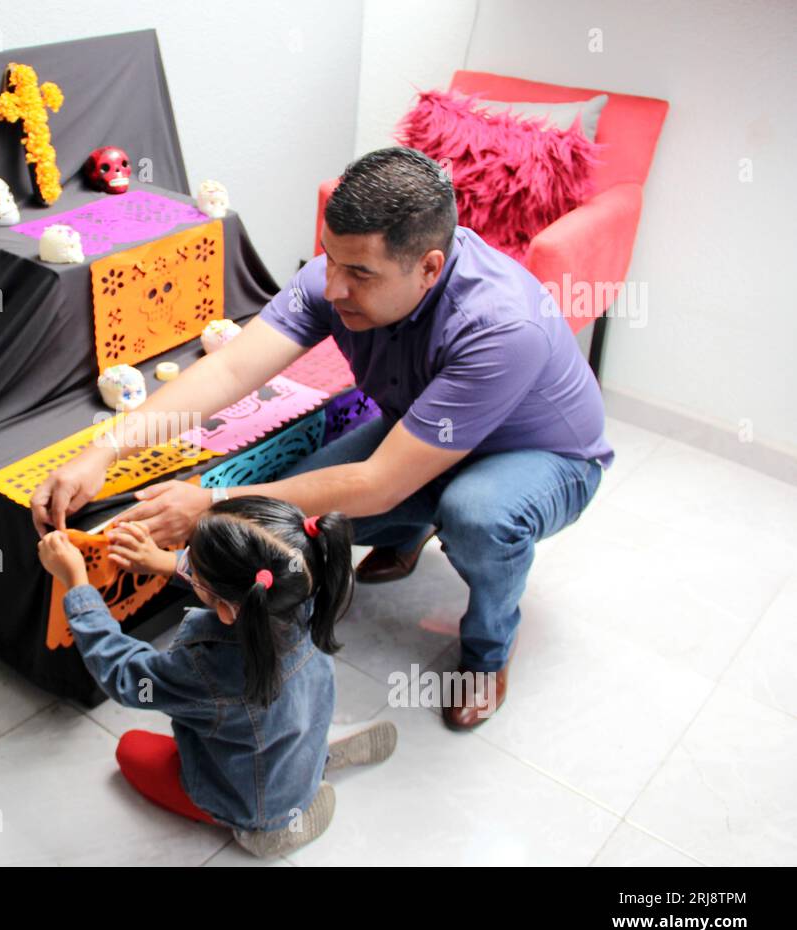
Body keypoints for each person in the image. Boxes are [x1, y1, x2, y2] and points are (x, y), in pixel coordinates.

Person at [32, 146, 612, 730]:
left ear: (430, 268)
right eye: (330, 259)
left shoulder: (501, 327)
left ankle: (487, 652)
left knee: (476, 516)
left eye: (359, 273)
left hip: (541, 456)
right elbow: (231, 371)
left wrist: (210, 504)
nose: (333, 286)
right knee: (300, 518)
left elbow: (377, 482)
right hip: (421, 431)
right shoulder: (334, 277)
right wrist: (103, 450)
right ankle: (412, 528)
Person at [37, 496, 397, 858]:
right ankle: (315, 759)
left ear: (226, 609)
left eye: (192, 563)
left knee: (129, 748)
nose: (187, 562)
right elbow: (241, 580)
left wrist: (77, 583)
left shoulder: (207, 670)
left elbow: (124, 675)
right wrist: (162, 562)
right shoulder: (304, 587)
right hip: (296, 727)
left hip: (255, 801)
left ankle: (270, 830)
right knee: (280, 734)